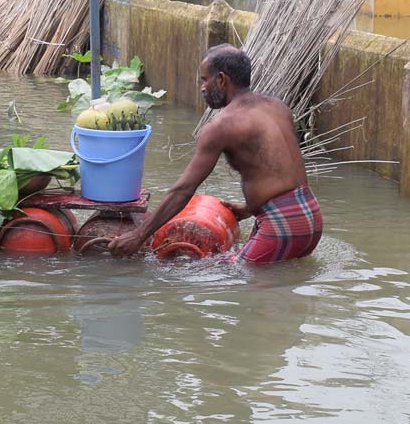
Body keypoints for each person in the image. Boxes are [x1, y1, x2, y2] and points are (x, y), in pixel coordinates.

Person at [110, 44, 323, 263]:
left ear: (221, 80)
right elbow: (280, 171)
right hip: (311, 217)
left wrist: (139, 235)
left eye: (204, 79)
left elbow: (183, 190)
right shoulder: (278, 107)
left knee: (232, 279)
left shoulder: (221, 126)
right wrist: (250, 209)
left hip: (281, 225)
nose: (202, 87)